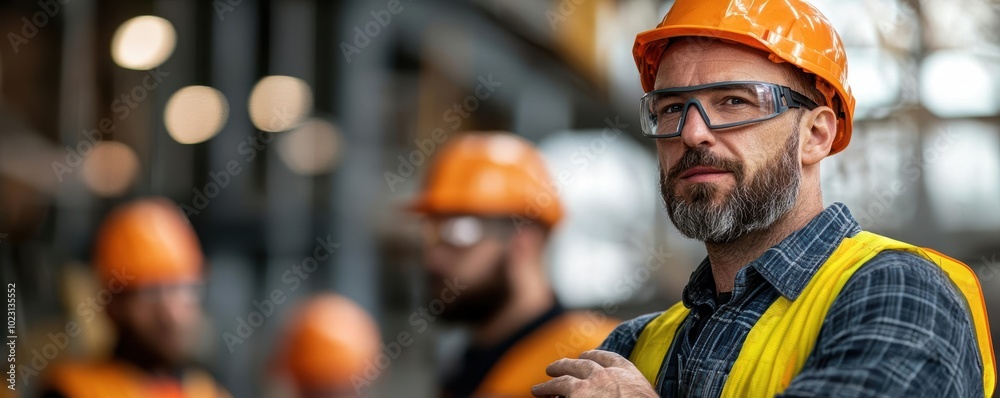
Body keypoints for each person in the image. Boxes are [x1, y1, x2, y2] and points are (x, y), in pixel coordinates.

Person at [532, 0, 996, 396]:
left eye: (734, 101)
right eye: (671, 108)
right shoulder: (634, 346)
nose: (693, 133)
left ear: (814, 135)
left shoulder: (901, 292)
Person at [410, 132, 619, 397]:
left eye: (458, 233)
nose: (433, 259)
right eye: (431, 234)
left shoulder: (594, 361)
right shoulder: (463, 367)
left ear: (524, 238)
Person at [41, 197, 229, 398]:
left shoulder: (207, 392)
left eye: (182, 289)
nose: (171, 314)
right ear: (112, 304)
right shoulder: (73, 390)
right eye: (149, 293)